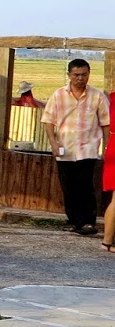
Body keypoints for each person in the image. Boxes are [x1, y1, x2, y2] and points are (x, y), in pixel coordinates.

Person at [42, 58, 110, 235]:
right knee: (68, 187)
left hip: (88, 149)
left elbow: (106, 123)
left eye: (84, 75)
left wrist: (107, 147)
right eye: (76, 75)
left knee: (86, 186)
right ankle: (73, 221)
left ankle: (88, 222)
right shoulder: (58, 95)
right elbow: (48, 121)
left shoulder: (97, 96)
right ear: (69, 75)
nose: (80, 78)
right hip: (65, 149)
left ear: (89, 74)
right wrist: (53, 143)